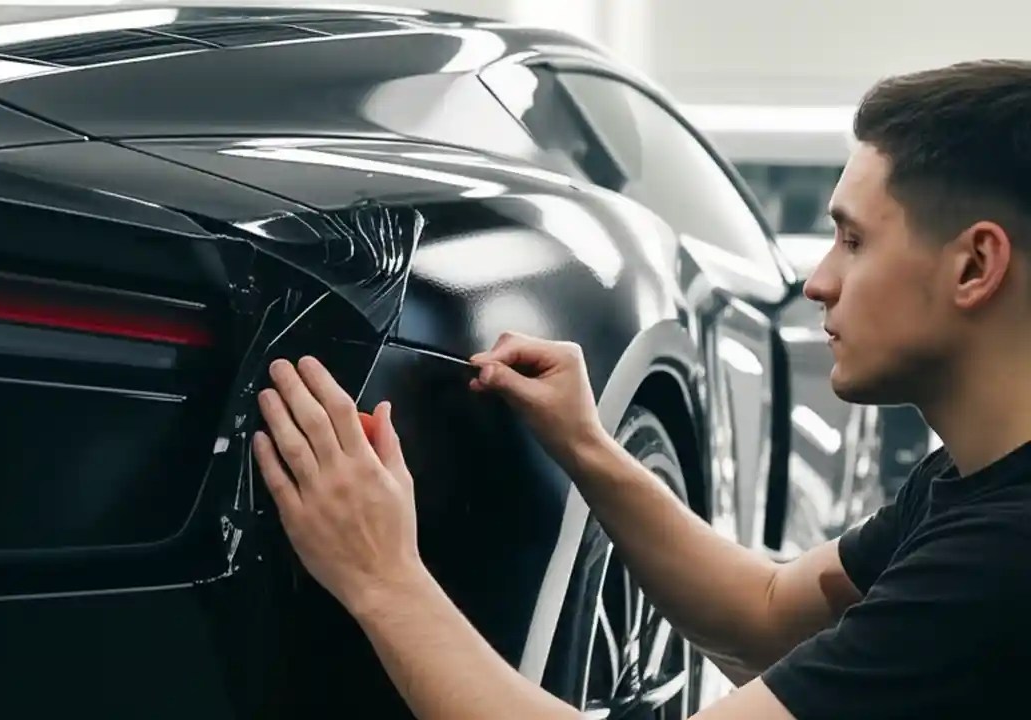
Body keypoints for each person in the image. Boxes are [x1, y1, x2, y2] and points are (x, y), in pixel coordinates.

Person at [250, 59, 1031, 719]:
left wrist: (381, 578)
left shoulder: (1000, 561)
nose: (820, 281)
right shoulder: (965, 491)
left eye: (854, 240)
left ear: (973, 267)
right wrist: (588, 448)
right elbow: (764, 619)